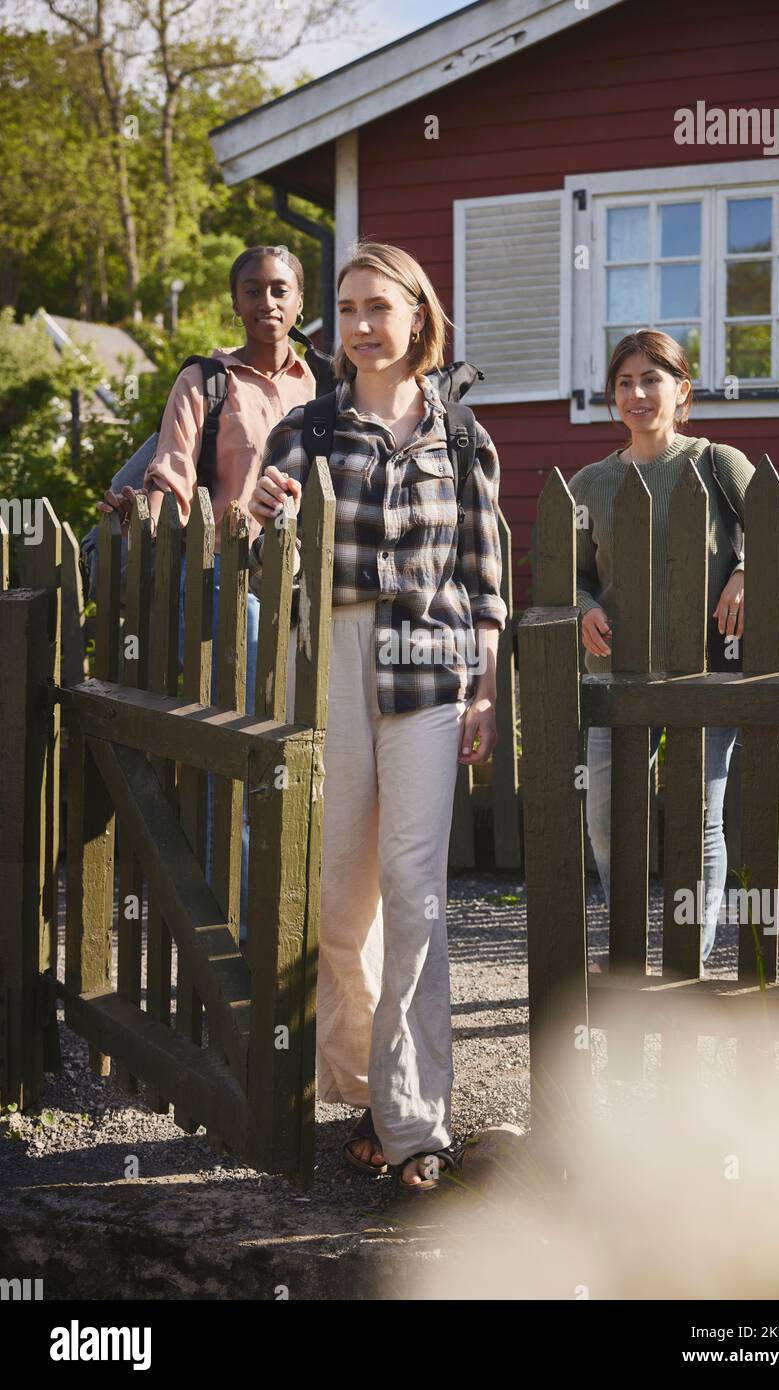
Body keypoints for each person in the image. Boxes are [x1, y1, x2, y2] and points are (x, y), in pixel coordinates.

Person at [249, 240, 507, 1190]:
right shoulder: (306, 431)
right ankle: (360, 1085)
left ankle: (412, 1124)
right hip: (333, 654)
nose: (359, 327)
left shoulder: (462, 437)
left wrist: (484, 688)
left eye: (376, 309)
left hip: (432, 667)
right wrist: (260, 513)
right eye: (347, 311)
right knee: (341, 890)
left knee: (416, 891)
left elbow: (484, 581)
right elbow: (257, 564)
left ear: (416, 318)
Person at [568, 330, 779, 970]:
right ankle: (625, 953)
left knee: (700, 819)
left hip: (706, 673)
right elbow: (571, 573)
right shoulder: (590, 484)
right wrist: (583, 607)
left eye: (652, 379)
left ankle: (687, 956)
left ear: (682, 390)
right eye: (624, 382)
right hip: (616, 680)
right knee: (608, 822)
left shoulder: (717, 462)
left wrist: (747, 572)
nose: (638, 394)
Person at [98, 245, 316, 932]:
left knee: (306, 747)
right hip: (229, 585)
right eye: (252, 290)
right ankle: (244, 922)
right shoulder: (206, 381)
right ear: (235, 301)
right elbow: (168, 473)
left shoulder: (323, 390)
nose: (266, 303)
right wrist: (142, 525)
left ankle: (299, 915)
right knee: (243, 749)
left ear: (300, 301)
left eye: (280, 289)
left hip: (307, 586)